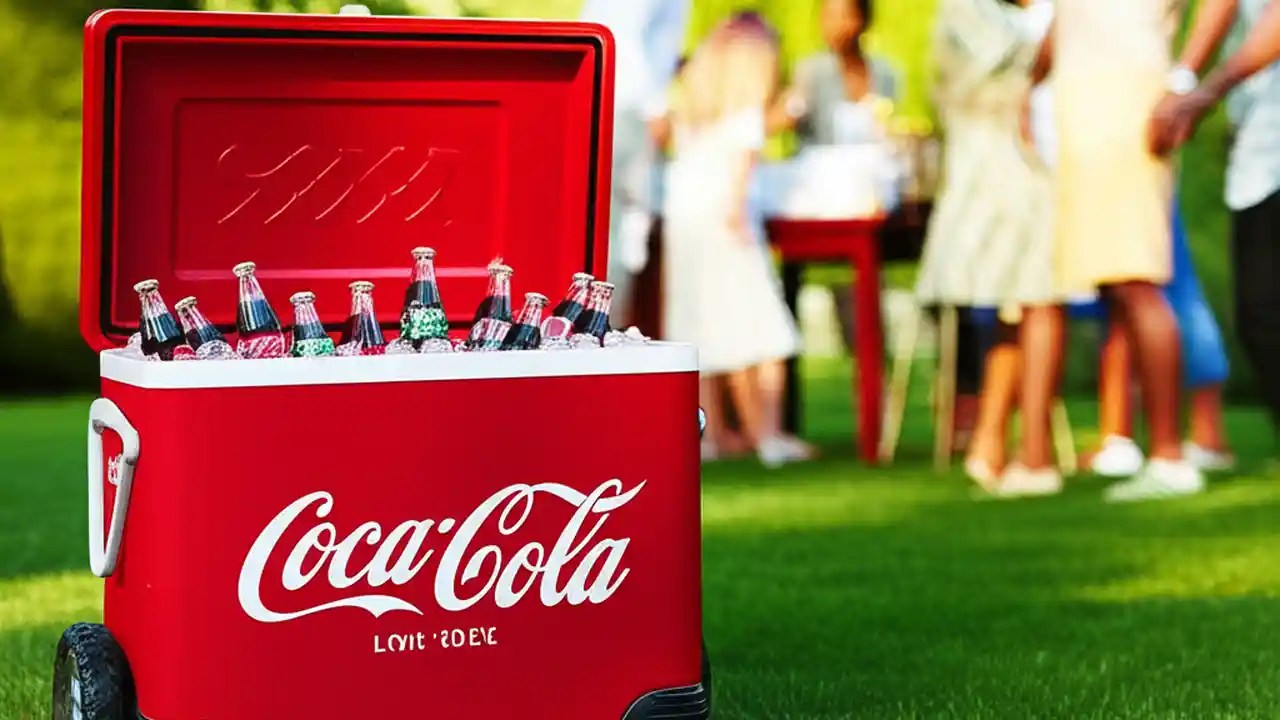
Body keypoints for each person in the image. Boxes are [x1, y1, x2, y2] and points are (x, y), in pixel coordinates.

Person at [1045, 0, 1205, 501]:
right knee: (1118, 285)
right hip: (1088, 110)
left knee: (1138, 280)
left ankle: (1170, 456)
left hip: (1127, 107)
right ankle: (1129, 441)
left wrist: (1183, 82)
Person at [916, 0, 1065, 496]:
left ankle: (1027, 451)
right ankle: (999, 443)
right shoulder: (969, 14)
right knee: (1025, 302)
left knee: (1033, 300)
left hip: (1022, 163)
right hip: (997, 171)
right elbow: (1010, 56)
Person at [662, 15, 815, 468]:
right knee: (763, 329)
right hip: (728, 226)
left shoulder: (692, 113)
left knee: (698, 328)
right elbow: (741, 176)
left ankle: (708, 436)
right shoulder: (746, 114)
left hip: (687, 225)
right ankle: (769, 435)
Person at [1149, 0, 1280, 444]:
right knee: (1259, 315)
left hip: (1269, 151)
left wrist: (1206, 90)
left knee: (1263, 312)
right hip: (1263, 147)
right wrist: (1189, 82)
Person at [579, 0, 691, 328]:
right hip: (625, 107)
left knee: (621, 228)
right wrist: (656, 105)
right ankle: (602, 329)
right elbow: (624, 34)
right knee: (622, 229)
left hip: (615, 100)